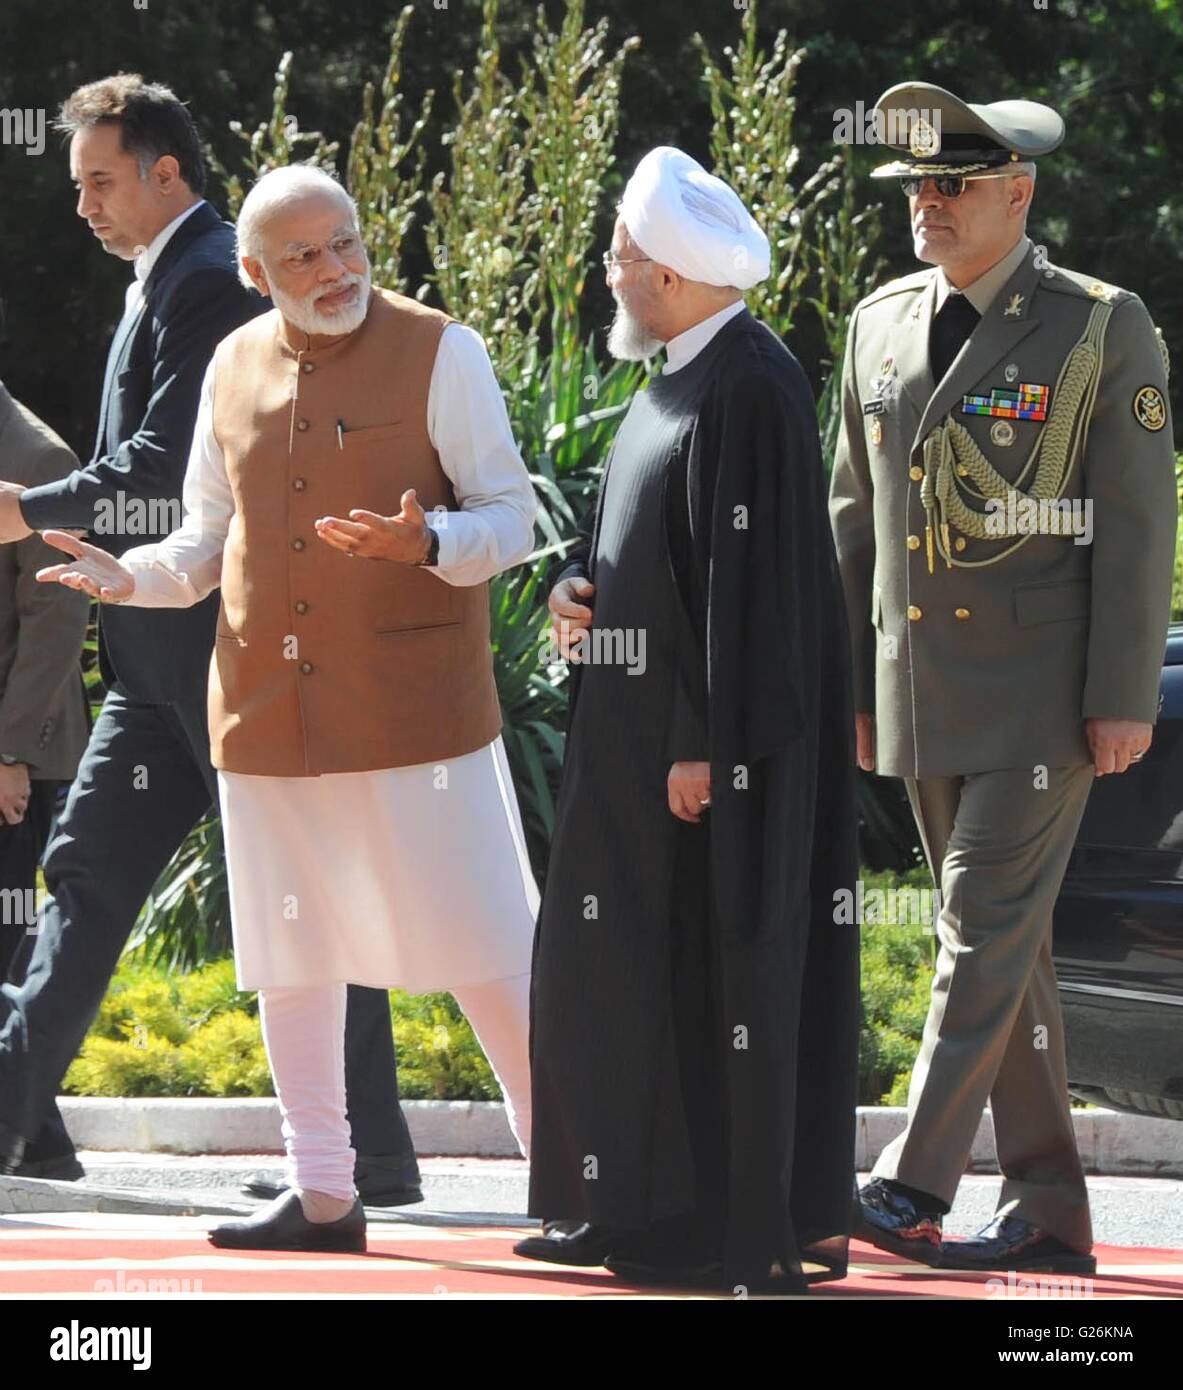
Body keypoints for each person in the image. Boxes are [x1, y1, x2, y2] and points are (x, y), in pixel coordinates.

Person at [38, 164, 540, 1254]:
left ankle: (573, 1178)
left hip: (420, 716)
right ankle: (322, 1195)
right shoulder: (230, 363)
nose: (336, 270)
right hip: (264, 714)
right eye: (304, 256)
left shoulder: (442, 349)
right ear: (257, 273)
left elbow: (516, 515)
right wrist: (131, 578)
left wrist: (433, 543)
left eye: (347, 242)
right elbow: (207, 543)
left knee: (491, 946)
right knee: (290, 956)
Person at [0, 77, 420, 1203]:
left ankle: (368, 1153)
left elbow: (162, 466)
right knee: (91, 879)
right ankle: (366, 1150)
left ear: (165, 173)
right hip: (167, 655)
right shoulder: (169, 280)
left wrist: (27, 509)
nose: (83, 204)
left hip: (219, 653)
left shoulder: (203, 279)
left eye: (98, 180)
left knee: (288, 896)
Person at [829, 82, 1177, 1274]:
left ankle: (910, 1180)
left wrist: (1122, 692)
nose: (926, 205)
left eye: (952, 186)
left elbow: (1137, 522)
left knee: (976, 926)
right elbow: (852, 521)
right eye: (917, 185)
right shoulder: (878, 321)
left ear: (1016, 193)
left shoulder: (1096, 322)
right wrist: (856, 681)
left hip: (1043, 689)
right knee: (1008, 951)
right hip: (922, 686)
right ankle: (1046, 1214)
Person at [517, 146, 860, 1293]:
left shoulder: (750, 385)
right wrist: (575, 588)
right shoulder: (673, 372)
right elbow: (640, 539)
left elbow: (755, 594)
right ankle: (627, 1206)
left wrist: (706, 741)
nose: (608, 273)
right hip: (624, 750)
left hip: (698, 763)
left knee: (712, 985)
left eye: (619, 255)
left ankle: (717, 1224)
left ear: (664, 269)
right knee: (606, 974)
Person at [0, 386, 89, 1118]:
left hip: (18, 750)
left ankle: (31, 1127)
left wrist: (8, 754)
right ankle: (39, 1132)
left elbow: (55, 618)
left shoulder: (37, 458)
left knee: (7, 936)